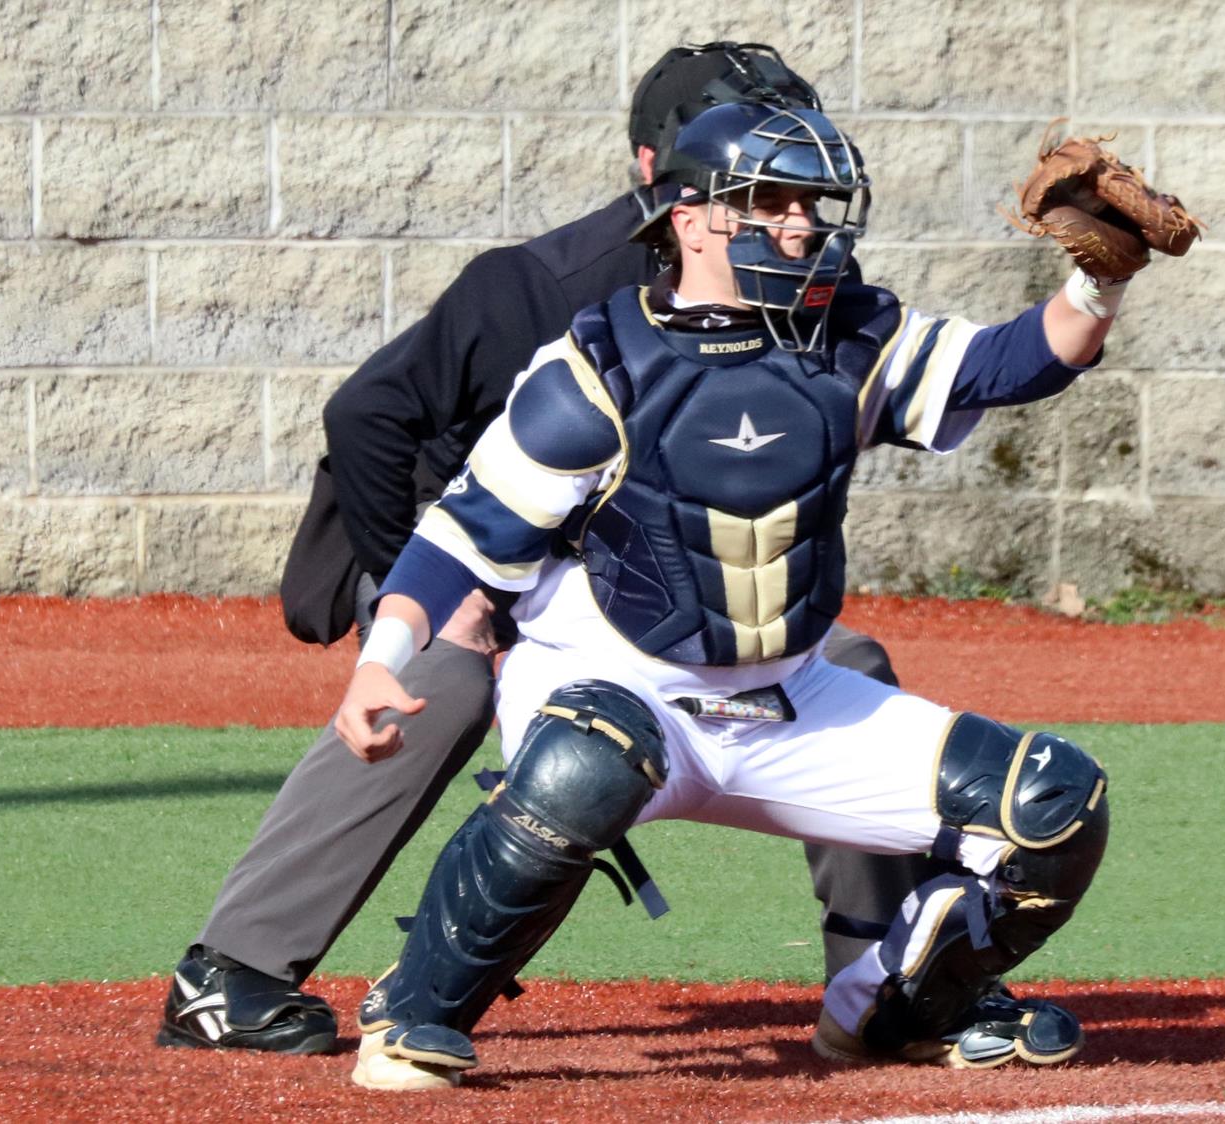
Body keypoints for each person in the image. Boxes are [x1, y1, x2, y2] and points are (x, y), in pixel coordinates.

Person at [334, 98, 1181, 1091]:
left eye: (813, 205)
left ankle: (892, 1008)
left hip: (791, 699)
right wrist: (377, 665)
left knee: (1054, 805)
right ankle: (418, 1010)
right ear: (689, 219)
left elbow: (1012, 360)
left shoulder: (851, 340)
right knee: (581, 765)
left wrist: (1099, 278)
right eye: (770, 202)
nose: (801, 225)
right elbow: (461, 537)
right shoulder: (596, 363)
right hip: (619, 684)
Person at [157, 43, 947, 1056]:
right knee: (439, 677)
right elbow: (367, 417)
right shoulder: (539, 286)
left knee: (845, 665)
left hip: (622, 578)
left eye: (793, 180)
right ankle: (233, 971)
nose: (784, 208)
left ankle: (879, 982)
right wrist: (446, 595)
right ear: (662, 176)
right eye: (752, 175)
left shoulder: (802, 295)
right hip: (446, 545)